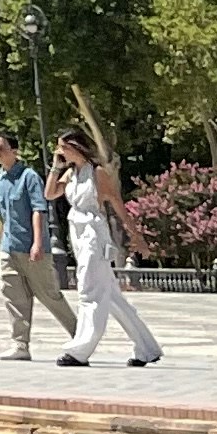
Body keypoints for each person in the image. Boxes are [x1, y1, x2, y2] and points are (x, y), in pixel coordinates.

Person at [52, 125, 161, 370]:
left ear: (75, 147)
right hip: (77, 234)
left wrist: (137, 237)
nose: (59, 151)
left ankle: (80, 349)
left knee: (89, 291)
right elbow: (50, 194)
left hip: (93, 234)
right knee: (110, 296)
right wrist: (56, 167)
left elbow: (117, 204)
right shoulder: (70, 174)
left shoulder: (97, 173)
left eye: (63, 147)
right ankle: (146, 349)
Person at [0, 128, 69, 360]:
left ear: (14, 150)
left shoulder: (29, 177)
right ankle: (20, 345)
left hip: (31, 248)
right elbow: (1, 217)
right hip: (8, 248)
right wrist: (0, 247)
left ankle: (80, 336)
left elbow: (38, 210)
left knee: (49, 295)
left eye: (1, 148)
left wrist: (37, 243)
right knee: (13, 296)